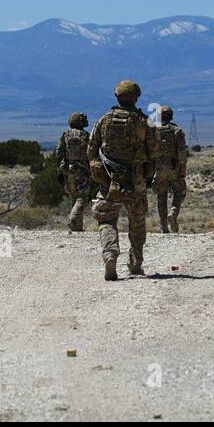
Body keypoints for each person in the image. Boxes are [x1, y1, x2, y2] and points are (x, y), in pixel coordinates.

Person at [87, 80, 157, 280]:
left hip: (110, 180)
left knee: (106, 218)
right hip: (136, 180)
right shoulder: (144, 122)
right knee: (137, 222)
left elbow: (92, 148)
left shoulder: (104, 120)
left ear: (117, 97)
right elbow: (154, 151)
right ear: (136, 97)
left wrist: (96, 166)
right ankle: (135, 264)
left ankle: (110, 254)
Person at [153, 106, 188, 232]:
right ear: (171, 116)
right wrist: (182, 168)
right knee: (180, 192)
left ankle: (163, 228)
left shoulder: (153, 131)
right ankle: (173, 212)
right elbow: (182, 152)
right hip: (174, 167)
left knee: (161, 197)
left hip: (158, 168)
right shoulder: (177, 131)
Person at [60, 111, 94, 232]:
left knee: (74, 197)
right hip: (83, 169)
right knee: (82, 197)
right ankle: (73, 219)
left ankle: (77, 227)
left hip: (69, 169)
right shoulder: (85, 135)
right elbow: (91, 152)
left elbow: (59, 152)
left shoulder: (66, 135)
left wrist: (62, 169)